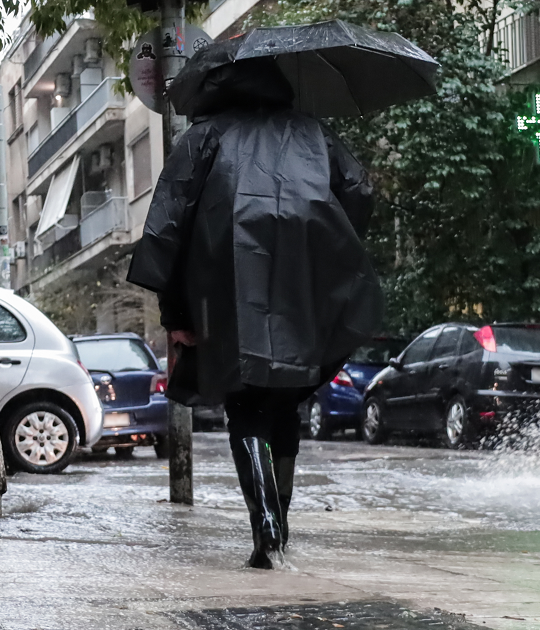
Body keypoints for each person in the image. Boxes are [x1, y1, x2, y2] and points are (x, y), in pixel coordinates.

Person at [126, 57, 382, 569]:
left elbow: (167, 225)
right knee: (283, 407)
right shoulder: (313, 134)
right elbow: (359, 193)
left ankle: (264, 521)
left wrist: (174, 311)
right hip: (301, 295)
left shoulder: (205, 136)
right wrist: (322, 237)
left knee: (243, 407)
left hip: (225, 298)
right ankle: (279, 525)